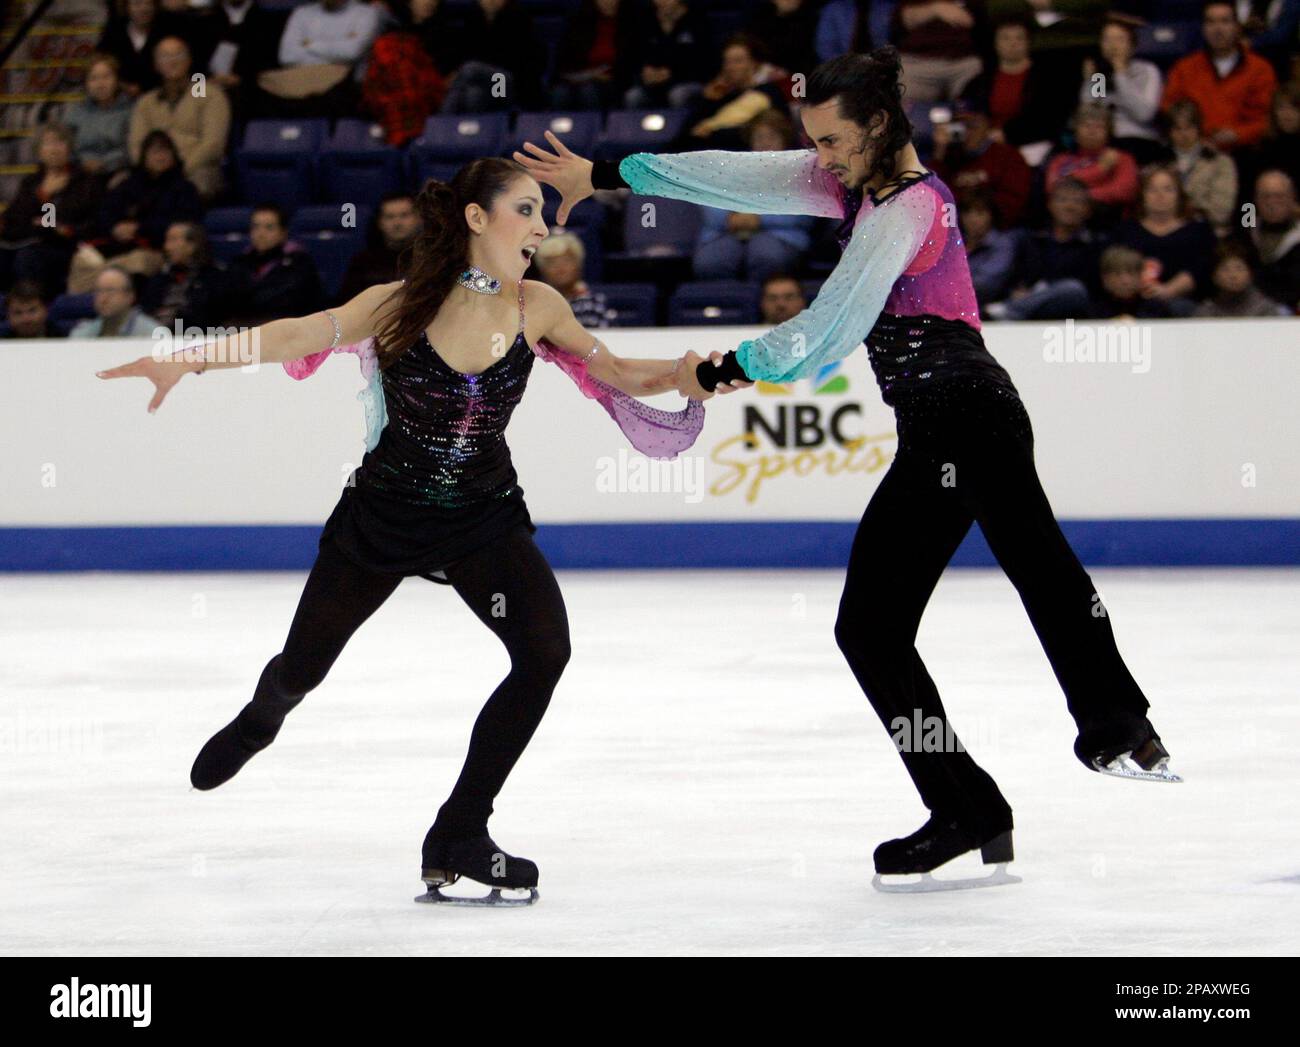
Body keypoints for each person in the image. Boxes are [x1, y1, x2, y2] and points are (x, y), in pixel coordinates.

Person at [515, 46, 1180, 892]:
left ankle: (1120, 726)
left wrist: (722, 371)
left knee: (1037, 562)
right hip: (935, 425)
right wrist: (605, 170)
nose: (820, 158)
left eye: (832, 141)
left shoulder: (911, 209)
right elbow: (731, 176)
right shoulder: (849, 182)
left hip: (967, 408)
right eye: (815, 143)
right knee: (873, 624)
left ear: (878, 126)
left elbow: (830, 329)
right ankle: (967, 804)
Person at [94, 159, 704, 905]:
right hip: (381, 517)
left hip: (482, 515)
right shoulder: (398, 303)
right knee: (303, 666)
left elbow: (619, 374)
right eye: (525, 209)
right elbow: (290, 336)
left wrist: (696, 373)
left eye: (543, 212)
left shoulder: (538, 305)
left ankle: (460, 830)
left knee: (545, 651)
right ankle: (264, 714)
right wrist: (187, 358)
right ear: (478, 219)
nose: (543, 226)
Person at [68, 265, 160, 337]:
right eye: (98, 291)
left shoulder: (152, 334)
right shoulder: (81, 334)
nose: (103, 298)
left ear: (129, 296)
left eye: (110, 291)